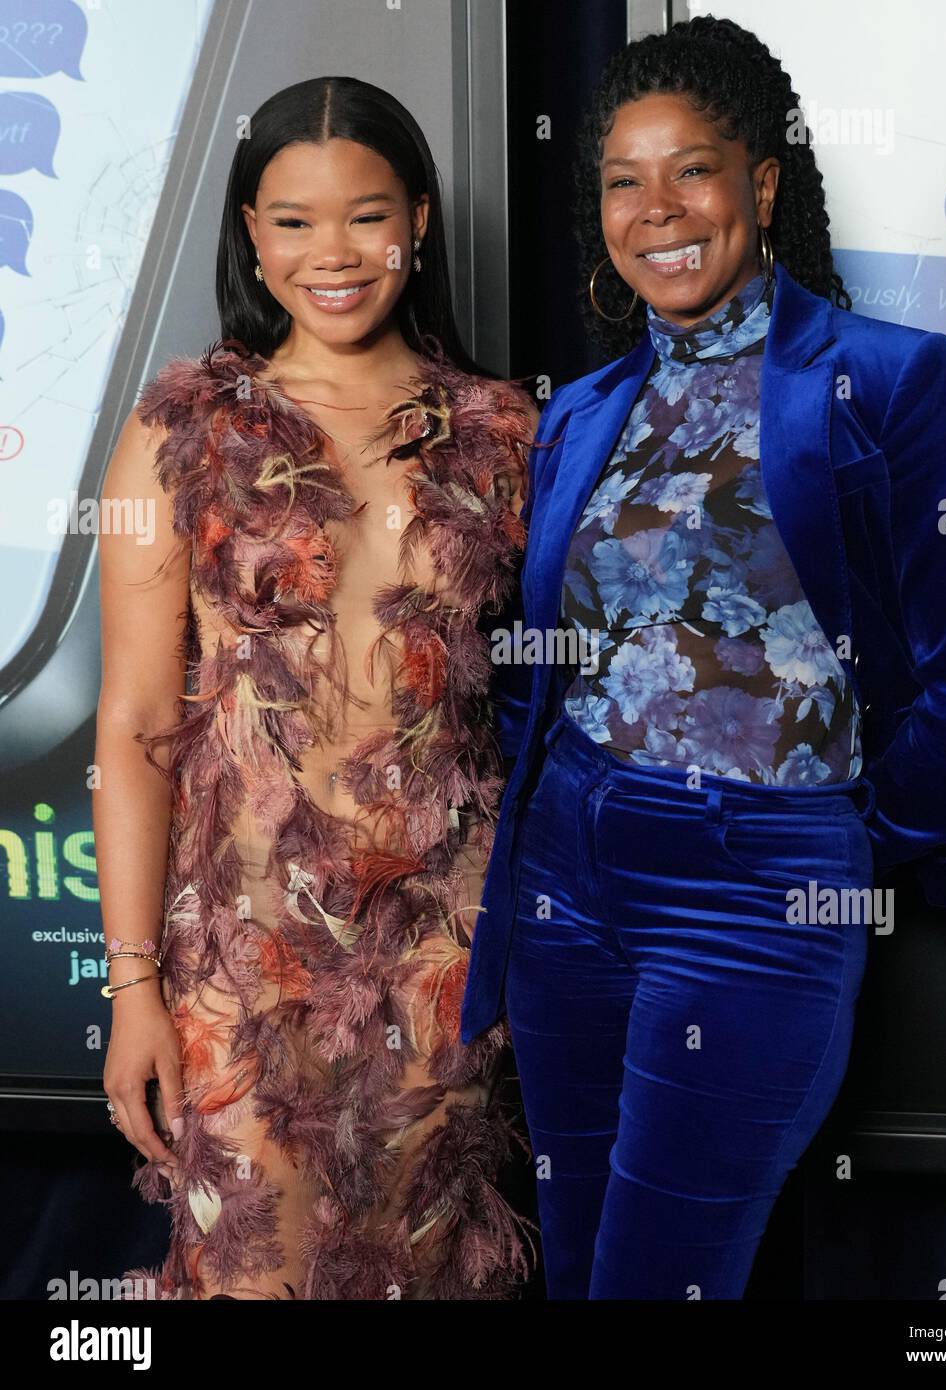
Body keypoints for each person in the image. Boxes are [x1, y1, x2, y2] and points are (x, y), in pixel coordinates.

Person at [460, 16, 946, 1299]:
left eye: (691, 170)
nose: (655, 209)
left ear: (761, 185)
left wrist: (830, 836)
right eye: (622, 179)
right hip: (572, 881)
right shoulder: (580, 407)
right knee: (572, 1273)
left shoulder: (890, 380)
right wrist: (551, 802)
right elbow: (535, 656)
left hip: (754, 897)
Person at [95, 76, 538, 1300]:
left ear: (422, 222)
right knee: (247, 1278)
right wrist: (133, 988)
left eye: (364, 215)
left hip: (442, 956)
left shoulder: (503, 433)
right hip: (238, 960)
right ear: (248, 231)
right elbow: (133, 728)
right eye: (291, 220)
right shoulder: (178, 432)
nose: (329, 254)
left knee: (424, 1281)